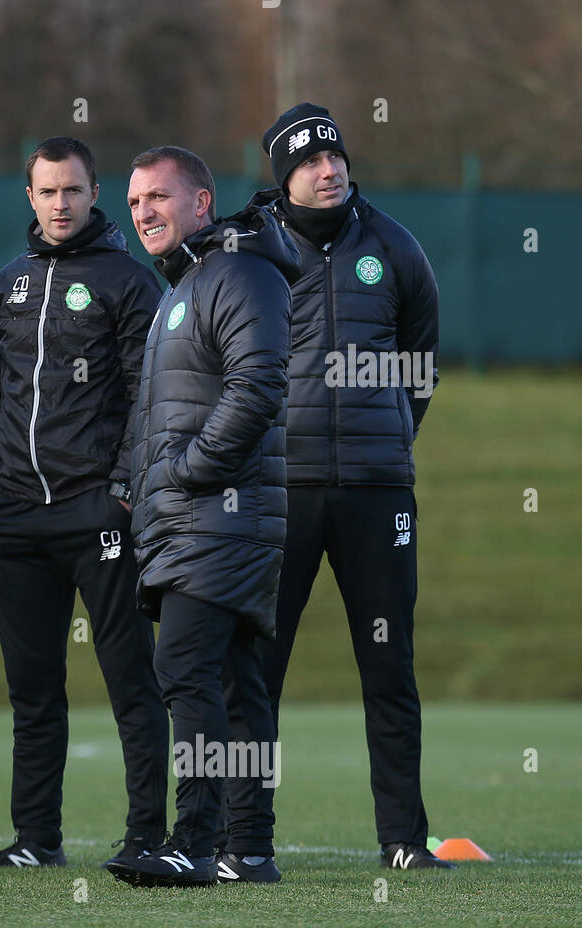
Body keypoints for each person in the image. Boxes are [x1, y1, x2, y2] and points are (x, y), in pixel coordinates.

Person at [242, 103, 446, 870]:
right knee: (258, 671)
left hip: (375, 492)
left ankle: (402, 838)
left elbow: (420, 360)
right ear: (283, 177)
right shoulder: (250, 248)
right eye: (308, 163)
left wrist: (388, 433)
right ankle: (244, 838)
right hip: (276, 493)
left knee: (389, 666)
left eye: (335, 157)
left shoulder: (394, 246)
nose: (328, 171)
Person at [0, 136, 170, 870]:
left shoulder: (127, 281)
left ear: (94, 194)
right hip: (14, 518)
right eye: (48, 191)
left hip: (96, 515)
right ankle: (35, 839)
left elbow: (150, 399)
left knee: (130, 680)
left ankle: (148, 832)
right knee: (33, 690)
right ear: (30, 196)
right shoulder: (9, 282)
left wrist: (121, 493)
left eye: (74, 191)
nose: (61, 204)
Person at [108, 146, 296, 888]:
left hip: (221, 517)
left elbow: (258, 385)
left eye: (159, 196)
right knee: (233, 682)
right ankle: (248, 849)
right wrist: (137, 483)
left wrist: (189, 474)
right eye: (133, 203)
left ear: (202, 203)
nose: (144, 212)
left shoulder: (240, 274)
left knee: (184, 668)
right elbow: (163, 410)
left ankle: (192, 838)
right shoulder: (185, 286)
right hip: (196, 522)